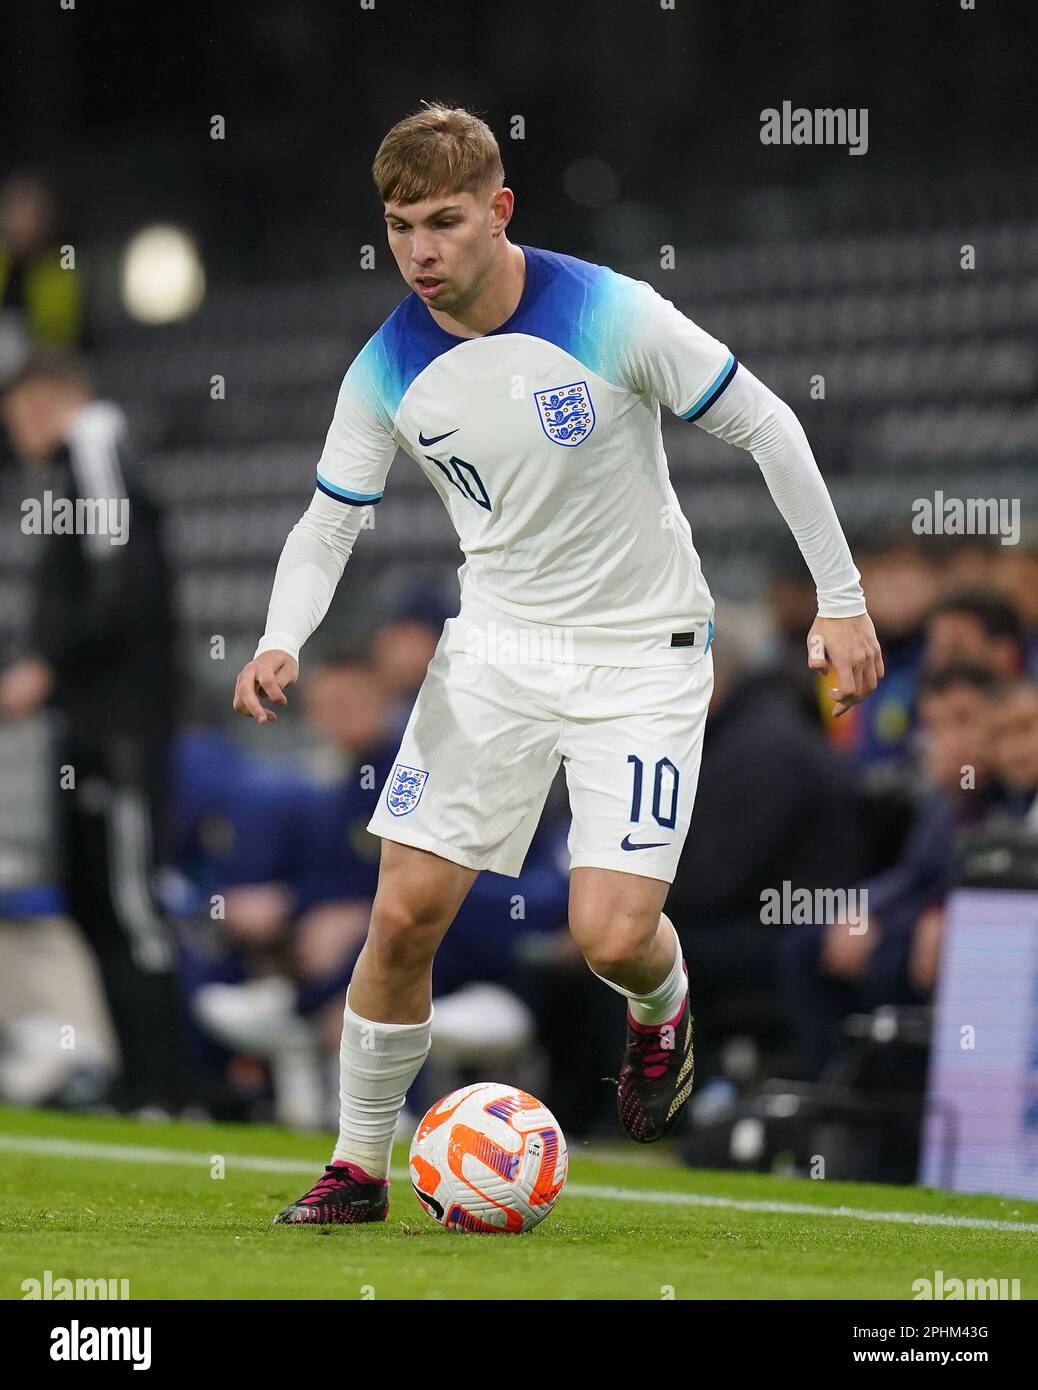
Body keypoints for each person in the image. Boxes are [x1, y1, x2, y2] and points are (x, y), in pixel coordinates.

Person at [231, 103, 883, 1224]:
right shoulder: (387, 363)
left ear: (501, 209)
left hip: (643, 653)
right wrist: (281, 634)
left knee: (611, 935)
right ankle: (356, 1167)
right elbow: (329, 519)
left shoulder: (607, 311)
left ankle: (660, 1007)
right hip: (495, 652)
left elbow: (770, 424)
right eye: (399, 227)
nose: (421, 252)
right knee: (401, 915)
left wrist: (844, 601)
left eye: (444, 222)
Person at [0, 348, 183, 1112]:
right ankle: (139, 1085)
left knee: (127, 907)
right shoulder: (74, 472)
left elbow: (122, 578)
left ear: (46, 401)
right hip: (89, 733)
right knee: (94, 904)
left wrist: (46, 659)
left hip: (121, 737)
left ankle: (167, 1089)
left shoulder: (96, 445)